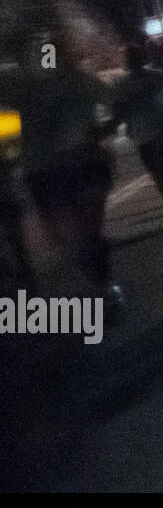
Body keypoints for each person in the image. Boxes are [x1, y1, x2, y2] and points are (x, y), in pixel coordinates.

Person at [3, 30, 122, 318]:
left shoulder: (81, 82)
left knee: (88, 233)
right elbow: (6, 117)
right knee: (69, 237)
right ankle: (100, 282)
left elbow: (118, 103)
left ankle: (105, 286)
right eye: (45, 53)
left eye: (56, 52)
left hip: (84, 164)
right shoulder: (22, 89)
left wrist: (104, 131)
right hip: (44, 172)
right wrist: (10, 159)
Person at [114, 41, 163, 224]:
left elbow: (121, 110)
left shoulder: (126, 84)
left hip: (152, 133)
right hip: (156, 132)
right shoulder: (157, 77)